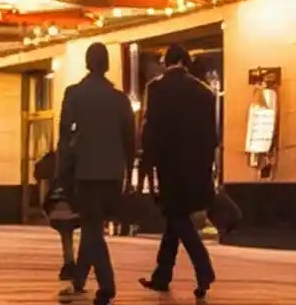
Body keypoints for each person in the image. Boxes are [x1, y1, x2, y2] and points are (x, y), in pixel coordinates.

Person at [57, 42, 135, 305]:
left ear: (88, 64)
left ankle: (107, 284)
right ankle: (79, 278)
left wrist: (62, 172)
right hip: (113, 173)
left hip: (85, 171)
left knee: (92, 229)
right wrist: (130, 172)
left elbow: (65, 137)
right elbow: (130, 140)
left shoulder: (74, 94)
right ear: (107, 65)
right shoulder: (120, 99)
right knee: (93, 226)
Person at [137, 45, 218, 300]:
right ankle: (162, 275)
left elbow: (150, 132)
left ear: (167, 62)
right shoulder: (205, 93)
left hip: (169, 166)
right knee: (175, 219)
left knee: (177, 217)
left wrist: (146, 169)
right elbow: (212, 137)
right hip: (196, 169)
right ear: (186, 62)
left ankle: (204, 270)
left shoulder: (156, 88)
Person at [36, 148, 80, 281]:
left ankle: (69, 262)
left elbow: (38, 170)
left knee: (66, 236)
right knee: (88, 232)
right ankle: (77, 265)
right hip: (72, 208)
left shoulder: (55, 156)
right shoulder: (79, 156)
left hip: (55, 210)